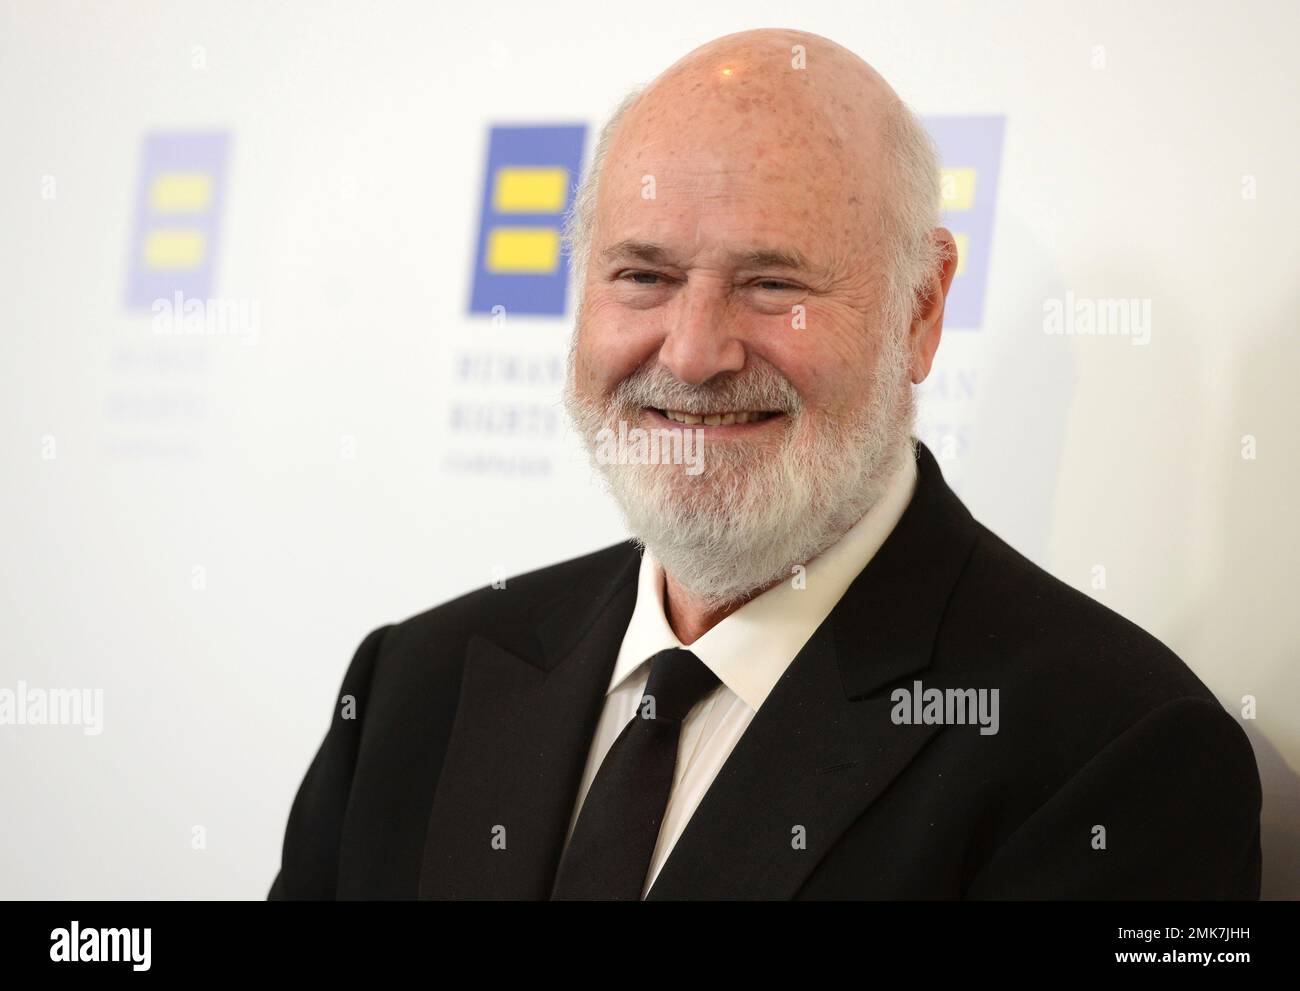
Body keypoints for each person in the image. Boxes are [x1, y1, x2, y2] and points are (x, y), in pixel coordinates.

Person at [269, 27, 1261, 900]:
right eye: (643, 276)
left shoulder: (1111, 751)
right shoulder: (412, 686)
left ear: (920, 311)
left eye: (773, 282)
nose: (695, 352)